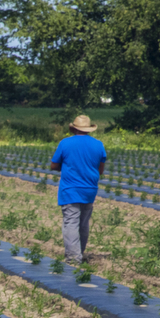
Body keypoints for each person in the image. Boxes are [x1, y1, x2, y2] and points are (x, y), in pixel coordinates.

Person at [49, 114, 106, 266]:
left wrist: (68, 166)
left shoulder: (65, 143)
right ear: (89, 129)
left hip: (70, 189)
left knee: (71, 222)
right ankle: (79, 253)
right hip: (90, 189)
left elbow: (54, 165)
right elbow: (100, 169)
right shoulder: (98, 144)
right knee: (83, 223)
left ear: (74, 128)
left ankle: (73, 259)